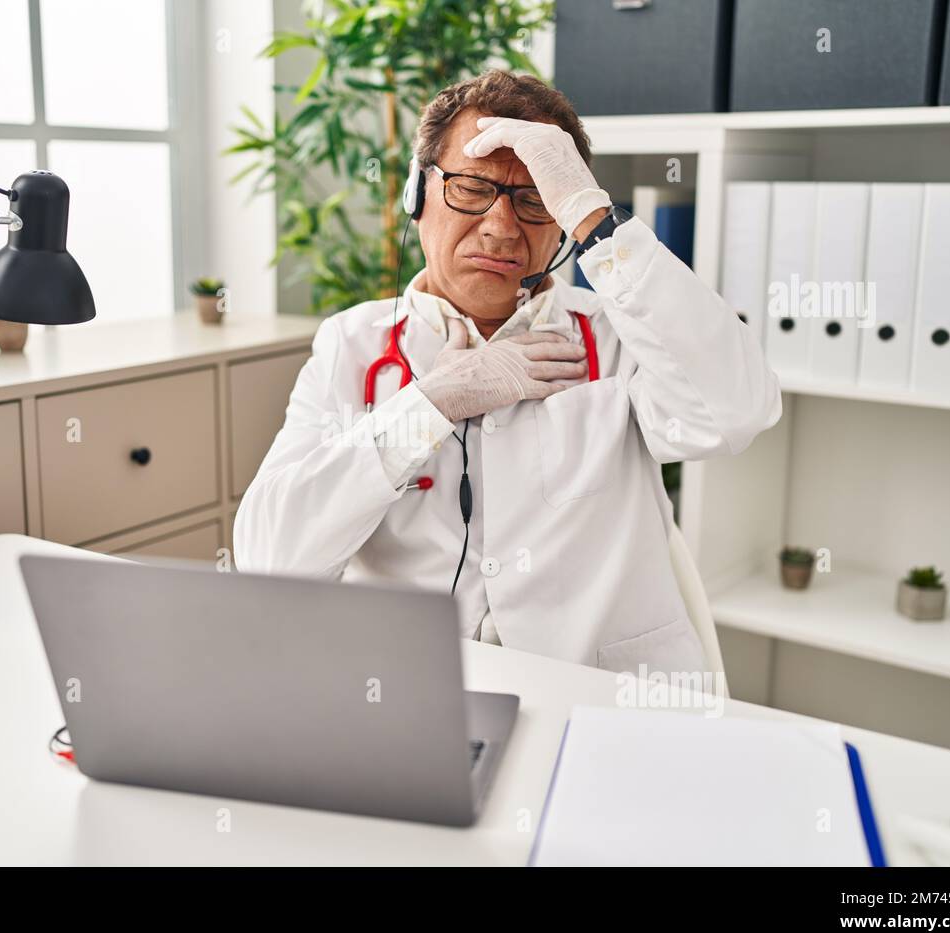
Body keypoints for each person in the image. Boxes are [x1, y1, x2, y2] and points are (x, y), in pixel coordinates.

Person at [233, 70, 781, 676]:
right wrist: (431, 403)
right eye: (470, 188)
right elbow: (272, 559)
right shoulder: (352, 344)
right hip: (415, 693)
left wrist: (590, 211)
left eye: (537, 199)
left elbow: (736, 411)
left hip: (600, 693)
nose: (500, 227)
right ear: (416, 196)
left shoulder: (617, 335)